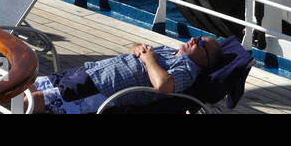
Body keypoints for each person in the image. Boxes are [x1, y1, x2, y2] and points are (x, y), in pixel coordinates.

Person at [27, 35, 224, 114]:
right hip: (90, 72)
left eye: (200, 42)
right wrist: (137, 48)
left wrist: (149, 59)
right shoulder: (169, 51)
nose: (193, 39)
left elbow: (163, 85)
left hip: (100, 90)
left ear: (205, 59)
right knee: (26, 87)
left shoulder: (188, 70)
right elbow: (135, 53)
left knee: (34, 101)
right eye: (196, 37)